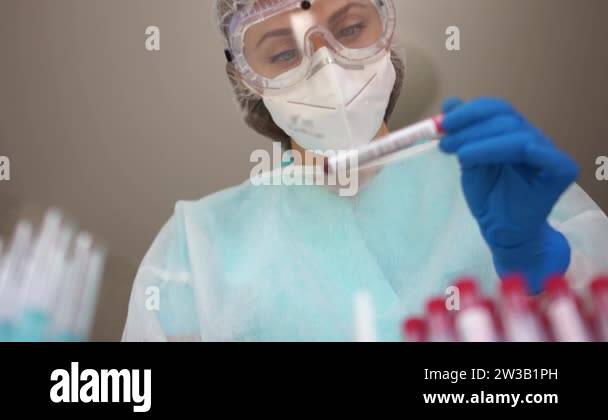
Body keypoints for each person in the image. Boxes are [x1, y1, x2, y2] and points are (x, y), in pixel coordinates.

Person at [122, 0, 608, 341]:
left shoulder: (500, 178)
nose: (326, 65)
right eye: (284, 52)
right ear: (243, 76)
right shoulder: (196, 248)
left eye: (351, 27)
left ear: (386, 26)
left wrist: (549, 272)